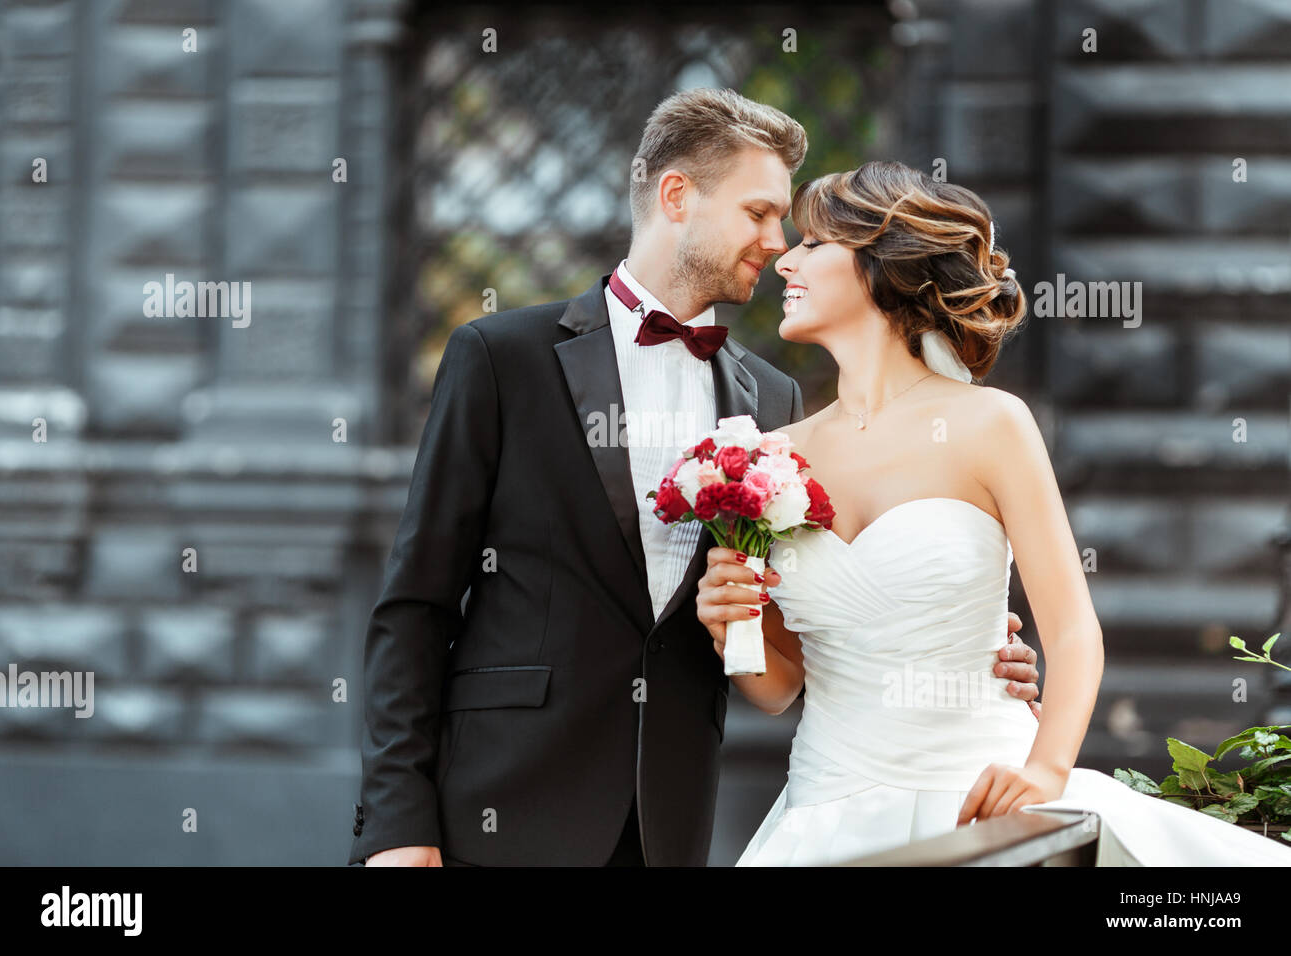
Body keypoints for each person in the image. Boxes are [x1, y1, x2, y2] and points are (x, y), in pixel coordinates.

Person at [350, 93, 1041, 868]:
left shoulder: (773, 403)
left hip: (666, 820)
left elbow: (791, 628)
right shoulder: (499, 357)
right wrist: (396, 830)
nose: (776, 244)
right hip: (498, 807)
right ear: (676, 196)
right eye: (758, 212)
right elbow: (416, 605)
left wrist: (959, 653)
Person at [696, 159, 1291, 866]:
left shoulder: (992, 425)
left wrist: (1045, 769)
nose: (784, 261)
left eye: (813, 243)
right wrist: (728, 620)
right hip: (822, 813)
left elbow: (1072, 632)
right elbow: (776, 689)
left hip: (980, 801)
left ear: (883, 265)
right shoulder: (765, 457)